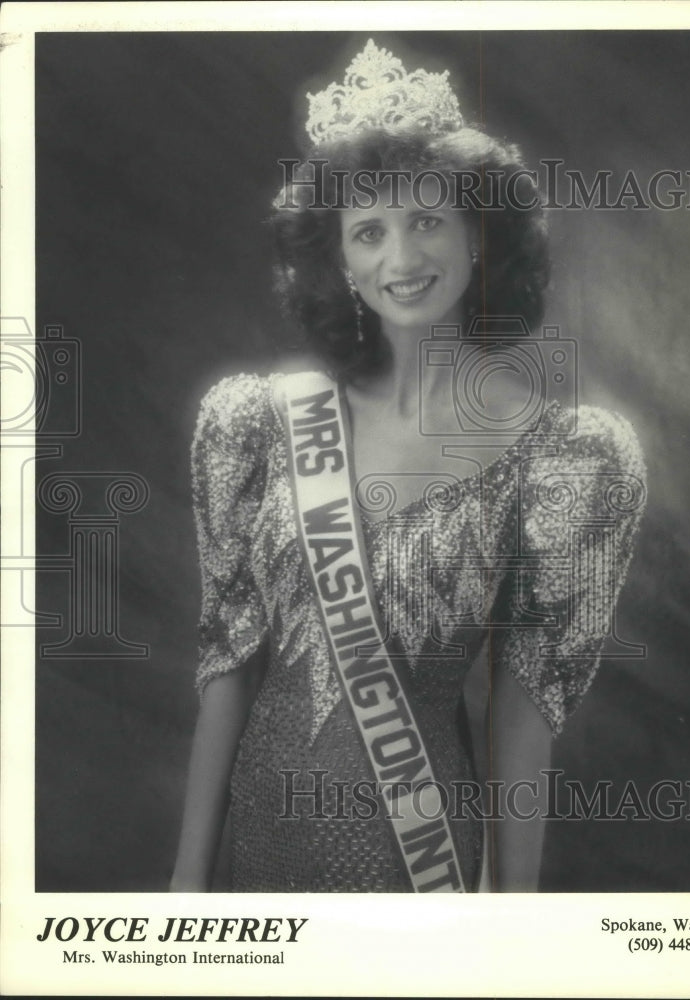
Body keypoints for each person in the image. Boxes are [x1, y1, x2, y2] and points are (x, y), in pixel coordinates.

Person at [170, 39, 646, 893]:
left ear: (477, 234)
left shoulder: (562, 459)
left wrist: (506, 922)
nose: (402, 258)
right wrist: (185, 889)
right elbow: (228, 660)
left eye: (427, 220)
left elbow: (522, 710)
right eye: (369, 231)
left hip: (418, 857)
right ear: (341, 261)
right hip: (259, 853)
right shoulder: (259, 423)